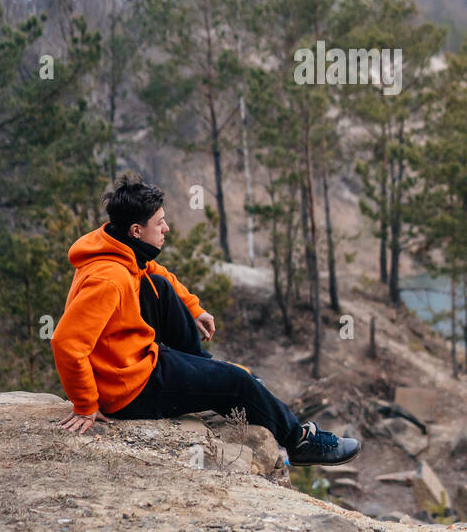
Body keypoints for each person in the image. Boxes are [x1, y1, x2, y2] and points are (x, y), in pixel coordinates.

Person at [50, 174, 361, 467]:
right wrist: (86, 404)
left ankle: (205, 369)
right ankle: (299, 442)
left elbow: (160, 275)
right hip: (130, 389)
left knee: (160, 286)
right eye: (159, 223)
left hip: (136, 356)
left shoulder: (117, 248)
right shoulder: (109, 279)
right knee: (238, 382)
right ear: (136, 230)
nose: (167, 228)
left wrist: (194, 307)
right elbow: (66, 343)